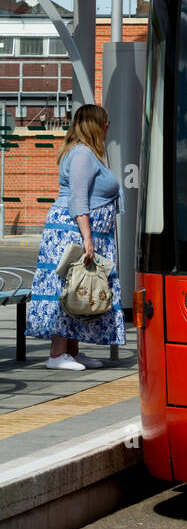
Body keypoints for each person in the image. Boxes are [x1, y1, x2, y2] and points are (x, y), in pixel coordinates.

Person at [26, 104, 126, 369]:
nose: (109, 126)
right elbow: (79, 201)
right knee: (69, 286)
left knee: (82, 288)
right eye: (106, 121)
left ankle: (72, 349)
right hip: (73, 232)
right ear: (95, 124)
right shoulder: (82, 154)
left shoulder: (89, 153)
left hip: (81, 231)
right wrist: (88, 239)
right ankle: (57, 354)